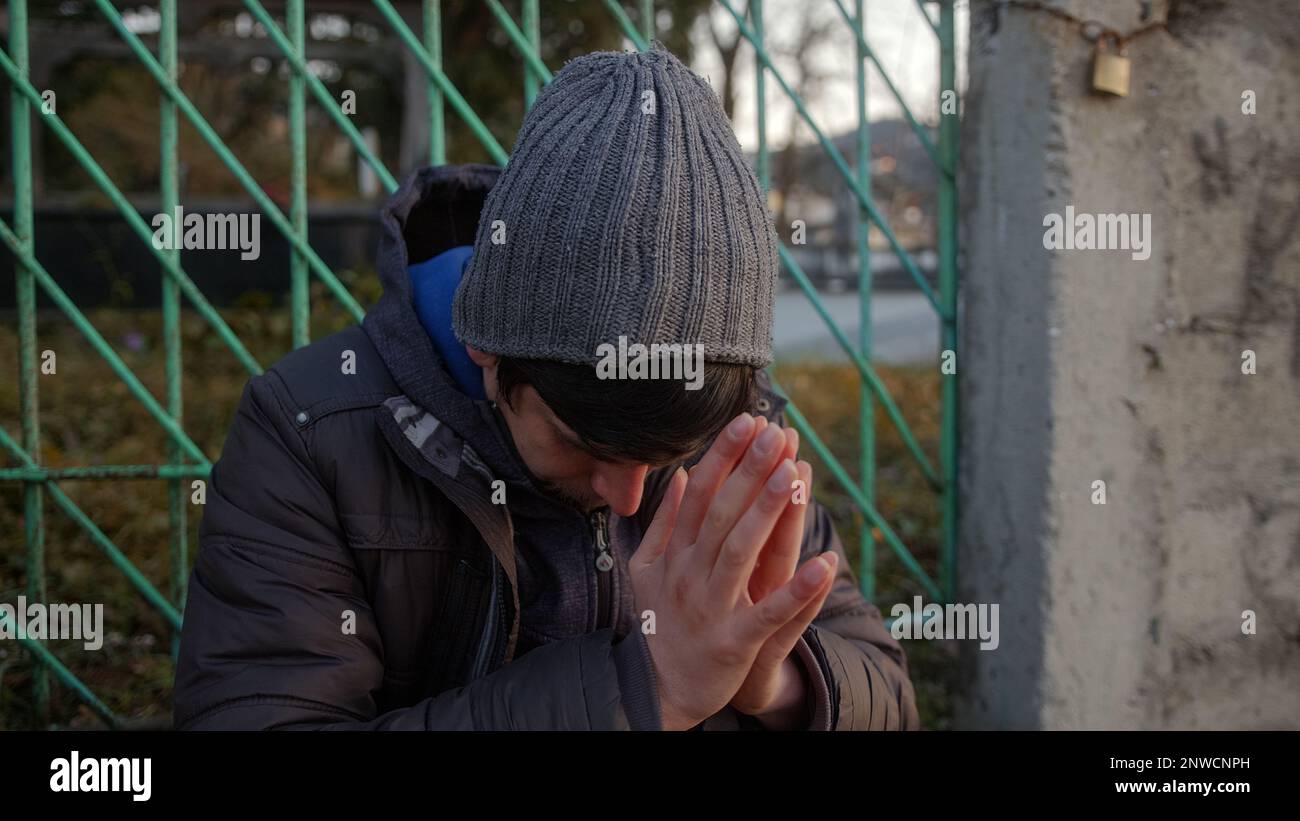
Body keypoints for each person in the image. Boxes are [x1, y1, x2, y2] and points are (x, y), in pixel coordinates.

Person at [174, 45, 918, 730]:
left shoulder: (731, 431)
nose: (630, 495)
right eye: (582, 442)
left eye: (666, 453)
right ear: (487, 349)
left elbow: (887, 690)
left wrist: (780, 679)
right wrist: (641, 690)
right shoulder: (311, 431)